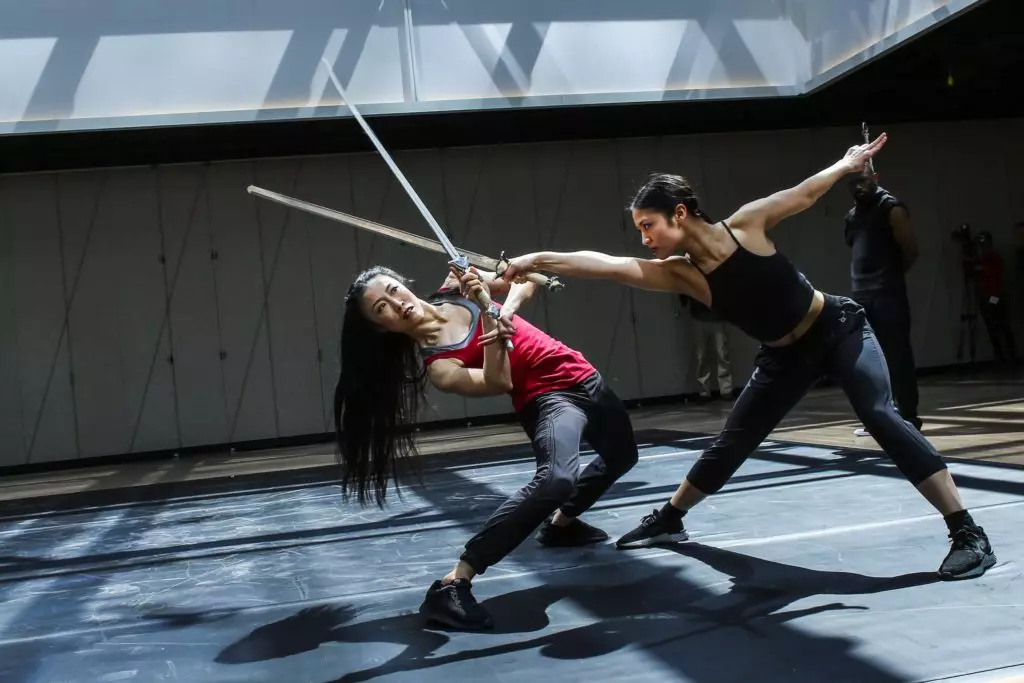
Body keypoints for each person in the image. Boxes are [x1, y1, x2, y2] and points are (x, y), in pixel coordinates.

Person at [499, 132, 996, 581]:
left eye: (648, 226)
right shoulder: (681, 274)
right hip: (785, 357)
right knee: (733, 440)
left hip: (838, 329)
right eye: (639, 230)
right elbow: (608, 266)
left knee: (881, 415)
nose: (644, 239)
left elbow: (804, 192)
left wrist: (846, 165)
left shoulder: (747, 225)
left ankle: (967, 532)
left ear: (679, 213)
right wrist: (535, 260)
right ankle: (670, 518)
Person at [334, 264, 639, 630]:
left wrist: (501, 296)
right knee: (557, 479)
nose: (396, 304)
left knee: (623, 456)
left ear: (404, 283)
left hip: (581, 373)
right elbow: (500, 379)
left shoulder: (456, 289)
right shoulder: (442, 366)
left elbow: (525, 280)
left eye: (393, 290)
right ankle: (454, 582)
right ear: (382, 327)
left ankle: (562, 526)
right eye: (382, 308)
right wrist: (496, 323)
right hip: (548, 397)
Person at [845, 170, 922, 432]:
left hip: (888, 294)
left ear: (874, 178)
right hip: (861, 296)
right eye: (853, 183)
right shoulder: (853, 216)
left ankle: (909, 417)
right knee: (869, 360)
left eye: (863, 180)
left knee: (898, 356)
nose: (859, 186)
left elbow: (910, 250)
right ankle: (879, 417)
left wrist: (890, 279)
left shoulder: (891, 207)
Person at [680, 295, 735, 402]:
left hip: (714, 315)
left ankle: (724, 391)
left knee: (721, 353)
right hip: (702, 315)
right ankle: (706, 391)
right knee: (702, 356)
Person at [974, 230, 1017, 364]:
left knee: (1001, 325)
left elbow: (998, 278)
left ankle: (1009, 355)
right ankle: (1001, 355)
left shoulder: (993, 258)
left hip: (994, 296)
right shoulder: (982, 259)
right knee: (993, 327)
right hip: (988, 296)